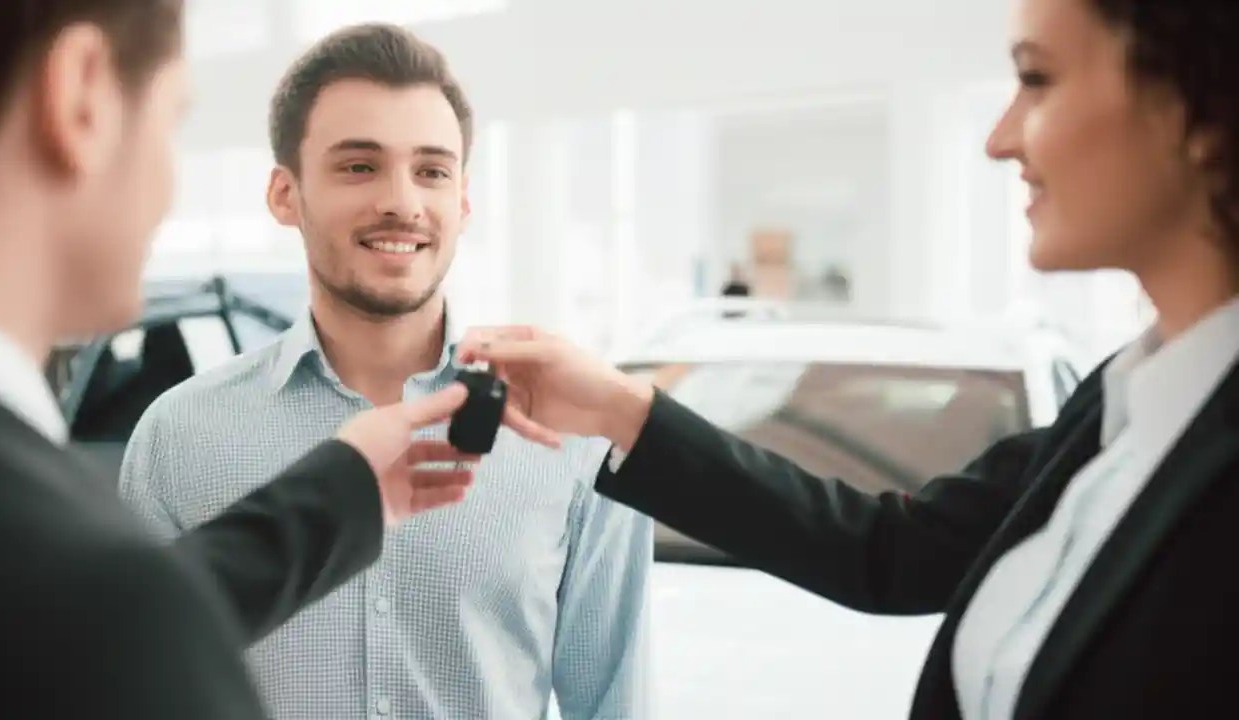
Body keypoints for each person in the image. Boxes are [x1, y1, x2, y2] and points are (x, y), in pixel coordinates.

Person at [461, 0, 1239, 718]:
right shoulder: (1120, 406)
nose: (999, 137)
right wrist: (619, 406)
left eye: (1038, 78)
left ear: (1199, 107)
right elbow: (887, 552)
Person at [0, 2, 489, 718]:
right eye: (170, 121)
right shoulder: (71, 529)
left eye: (431, 170)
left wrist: (337, 500)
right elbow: (110, 624)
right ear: (80, 93)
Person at [118, 23, 653, 720]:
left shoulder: (575, 437)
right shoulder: (179, 435)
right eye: (358, 166)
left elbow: (615, 704)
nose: (402, 200)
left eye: (431, 170)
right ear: (286, 194)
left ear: (462, 200)